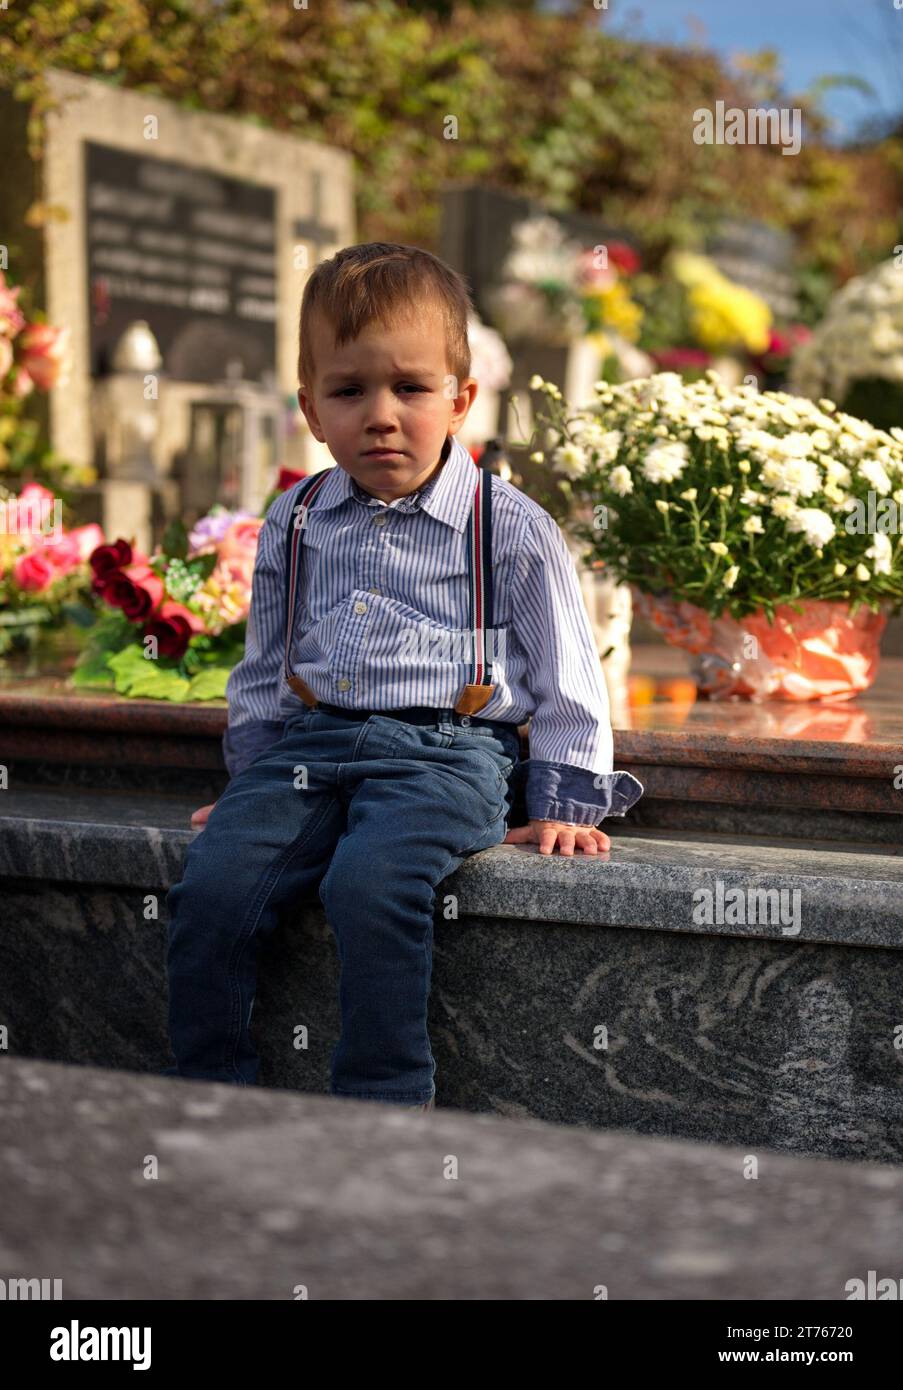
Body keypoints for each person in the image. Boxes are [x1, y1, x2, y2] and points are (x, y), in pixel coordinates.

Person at [164, 242, 643, 1107]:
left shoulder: (508, 523)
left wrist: (560, 805)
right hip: (313, 744)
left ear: (460, 401)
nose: (380, 415)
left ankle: (381, 1107)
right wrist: (252, 784)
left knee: (371, 882)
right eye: (349, 391)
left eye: (410, 390)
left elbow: (568, 673)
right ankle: (207, 1091)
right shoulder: (298, 518)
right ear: (310, 408)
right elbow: (267, 663)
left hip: (449, 752)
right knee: (215, 885)